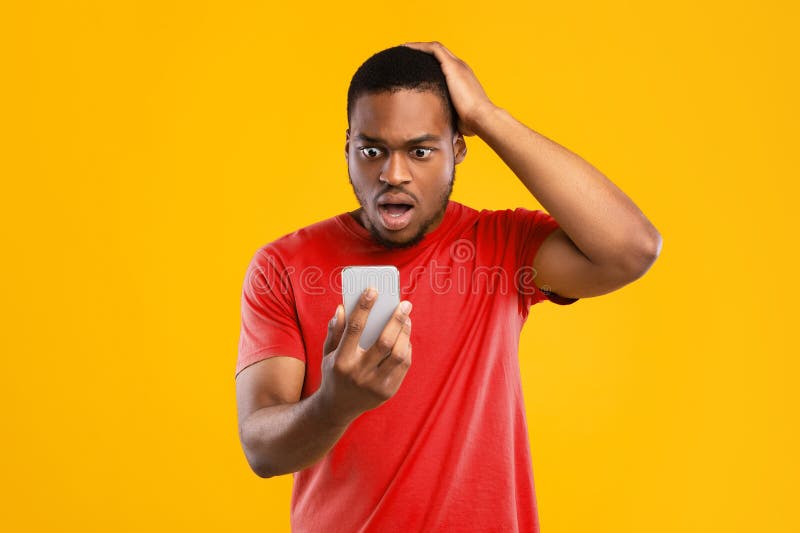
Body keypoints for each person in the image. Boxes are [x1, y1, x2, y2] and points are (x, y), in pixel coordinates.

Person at [235, 41, 662, 532]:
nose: (393, 174)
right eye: (372, 150)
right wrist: (336, 403)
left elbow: (633, 248)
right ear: (348, 146)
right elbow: (261, 448)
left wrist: (485, 114)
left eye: (421, 151)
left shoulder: (503, 246)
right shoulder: (282, 266)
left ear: (458, 149)